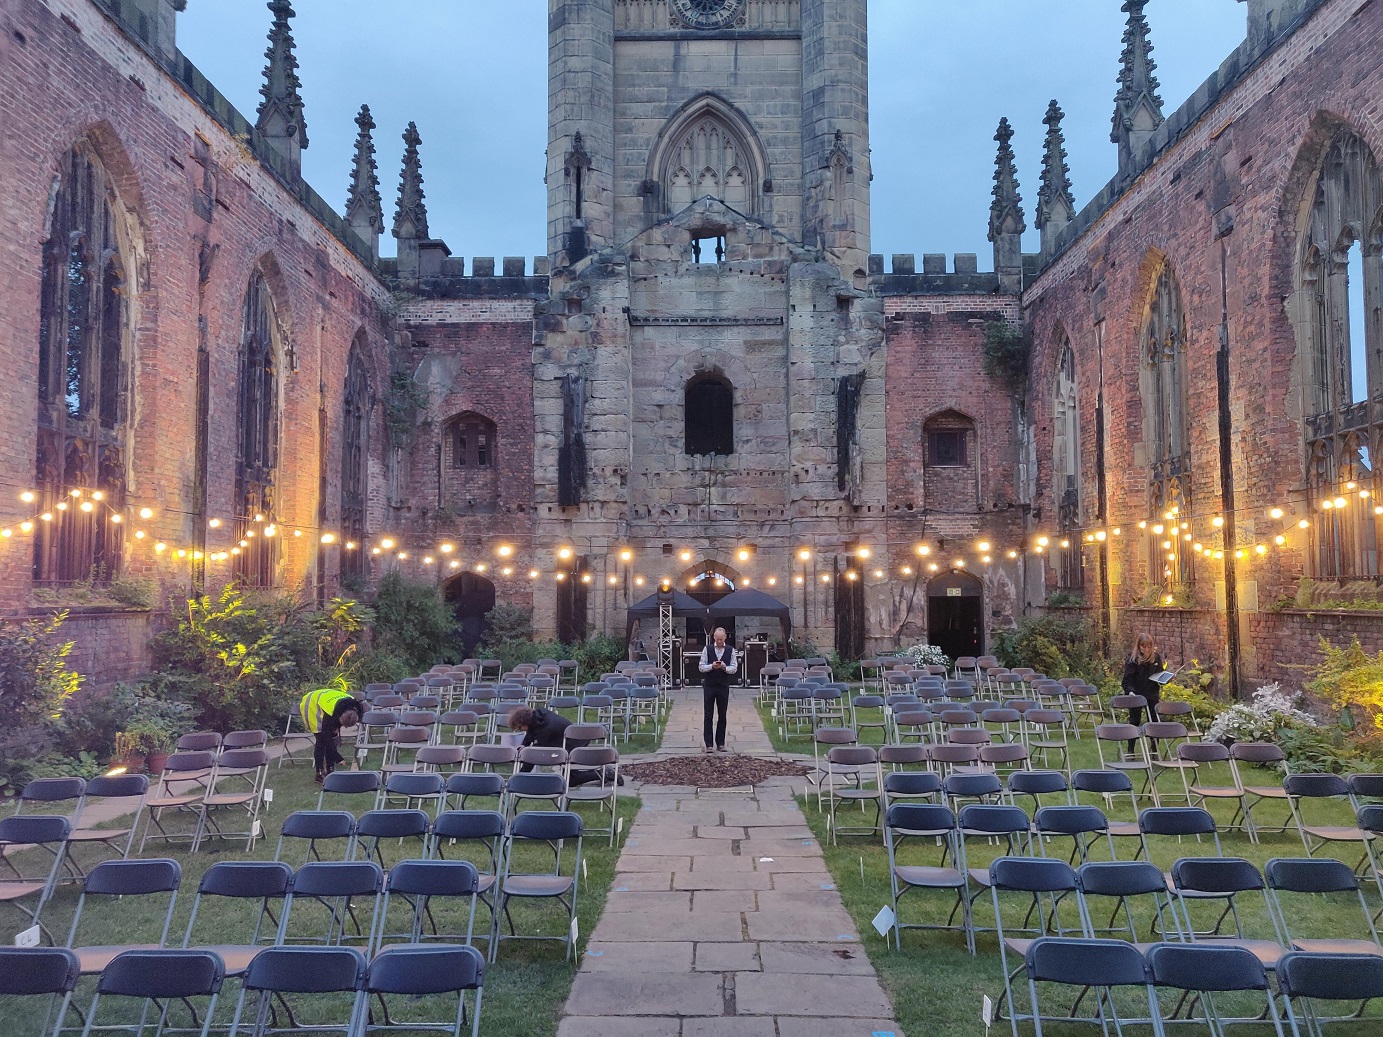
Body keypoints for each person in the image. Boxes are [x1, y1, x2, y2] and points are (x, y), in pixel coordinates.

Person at [506, 706, 620, 786]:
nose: (520, 730)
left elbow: (535, 755)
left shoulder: (544, 729)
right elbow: (531, 732)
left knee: (569, 780)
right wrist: (523, 745)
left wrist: (519, 777)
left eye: (520, 727)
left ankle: (602, 773)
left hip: (574, 744)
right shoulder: (538, 716)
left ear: (525, 722)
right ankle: (601, 773)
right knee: (569, 778)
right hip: (565, 741)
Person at [299, 686, 367, 783]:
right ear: (339, 717)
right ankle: (319, 773)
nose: (346, 728)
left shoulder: (356, 707)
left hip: (329, 700)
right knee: (321, 740)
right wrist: (338, 757)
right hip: (312, 703)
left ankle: (330, 770)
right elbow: (327, 738)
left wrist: (337, 728)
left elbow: (340, 723)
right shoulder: (330, 714)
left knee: (333, 738)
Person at [1120, 633, 1166, 752]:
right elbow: (1127, 680)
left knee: (1154, 722)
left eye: (1149, 647)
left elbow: (1160, 675)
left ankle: (1154, 749)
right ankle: (1131, 750)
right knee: (1134, 721)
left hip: (1152, 695)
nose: (1146, 649)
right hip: (1136, 695)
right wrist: (1130, 692)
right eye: (1143, 647)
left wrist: (1166, 679)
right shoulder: (1133, 660)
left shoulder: (1156, 658)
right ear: (1139, 646)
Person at [698, 626, 737, 753]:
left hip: (723, 686)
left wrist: (725, 668)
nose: (719, 641)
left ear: (725, 637)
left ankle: (720, 743)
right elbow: (701, 667)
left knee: (722, 715)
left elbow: (734, 667)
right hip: (709, 685)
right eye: (717, 639)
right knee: (708, 715)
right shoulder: (707, 649)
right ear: (714, 637)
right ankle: (709, 744)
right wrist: (712, 666)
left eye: (721, 639)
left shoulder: (730, 650)